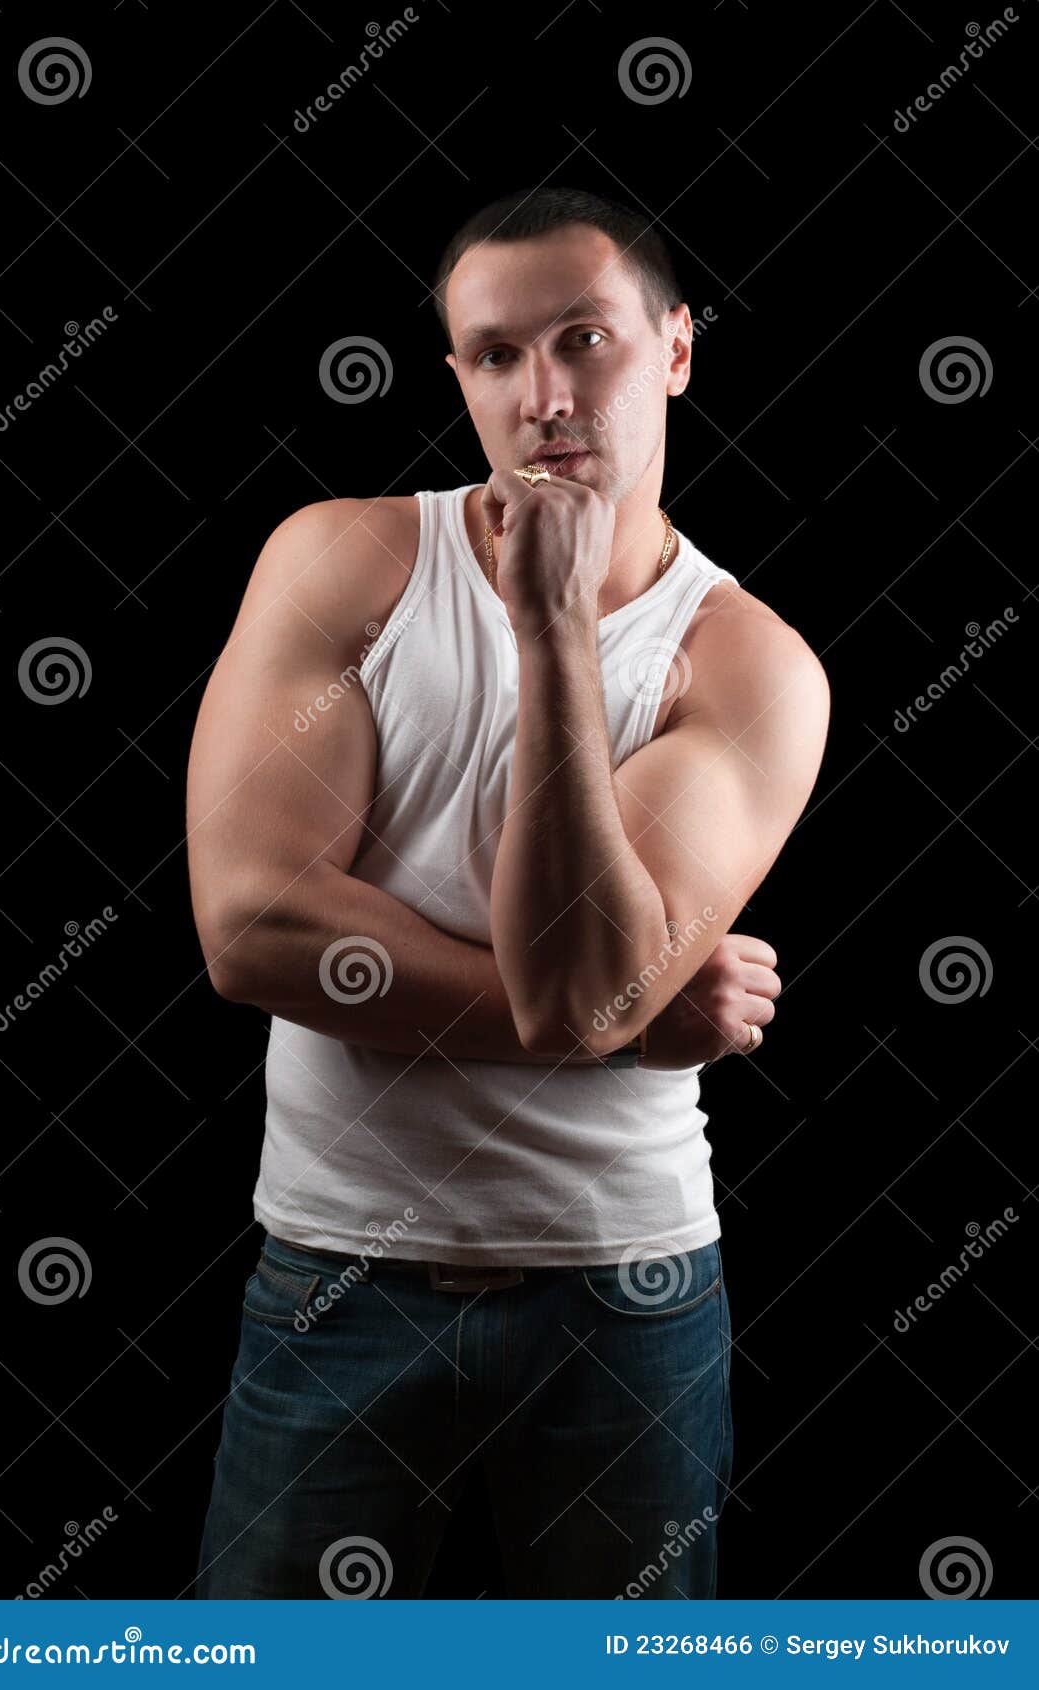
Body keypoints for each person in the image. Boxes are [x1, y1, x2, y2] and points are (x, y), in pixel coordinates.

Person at [185, 185, 830, 1599]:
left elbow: (572, 980)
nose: (545, 394)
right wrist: (633, 1017)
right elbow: (253, 930)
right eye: (495, 355)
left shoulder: (748, 666)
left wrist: (551, 631)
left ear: (673, 347)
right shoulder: (344, 562)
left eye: (584, 339)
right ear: (459, 377)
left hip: (627, 1290)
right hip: (334, 1276)